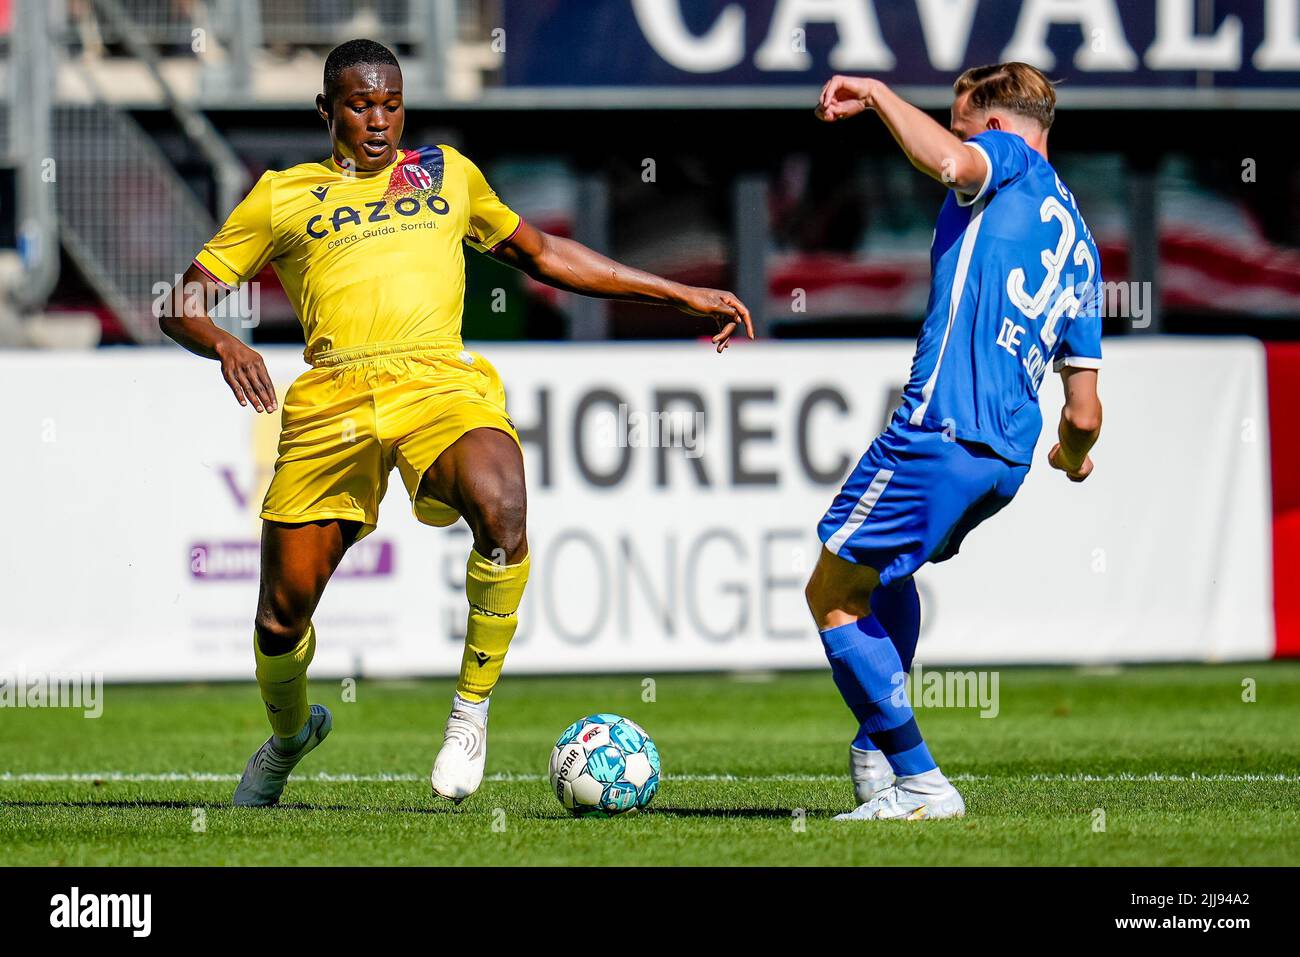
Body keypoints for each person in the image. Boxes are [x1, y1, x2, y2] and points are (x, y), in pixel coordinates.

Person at [160, 38, 752, 808]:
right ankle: (289, 735)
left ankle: (469, 711)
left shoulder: (447, 174)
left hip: (437, 379)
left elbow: (545, 253)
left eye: (392, 103)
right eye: (361, 105)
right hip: (332, 400)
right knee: (281, 616)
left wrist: (678, 294)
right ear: (326, 111)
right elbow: (181, 303)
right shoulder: (281, 195)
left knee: (502, 503)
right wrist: (225, 342)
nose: (380, 120)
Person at [806, 63, 1103, 820]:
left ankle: (920, 781)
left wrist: (875, 94)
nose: (950, 137)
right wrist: (1070, 458)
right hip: (1003, 461)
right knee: (885, 572)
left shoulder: (1007, 162)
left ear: (999, 128)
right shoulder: (1081, 244)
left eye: (959, 120)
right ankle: (878, 752)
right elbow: (1085, 415)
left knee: (832, 594)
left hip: (941, 429)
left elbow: (945, 160)